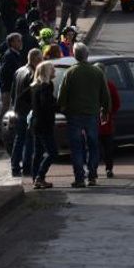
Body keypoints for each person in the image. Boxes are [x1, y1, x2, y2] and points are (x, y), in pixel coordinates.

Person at [57, 42, 111, 187]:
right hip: (92, 114)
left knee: (76, 147)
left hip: (74, 114)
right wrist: (105, 111)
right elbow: (105, 95)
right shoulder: (97, 72)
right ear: (87, 55)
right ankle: (92, 175)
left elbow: (62, 95)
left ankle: (79, 178)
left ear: (75, 55)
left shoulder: (70, 72)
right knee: (93, 145)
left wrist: (62, 108)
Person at [9, 48, 41, 177]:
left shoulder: (19, 71)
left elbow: (13, 93)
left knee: (19, 139)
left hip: (17, 109)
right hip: (27, 111)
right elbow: (33, 95)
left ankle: (15, 166)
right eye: (41, 59)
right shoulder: (32, 74)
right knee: (29, 140)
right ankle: (27, 167)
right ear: (35, 59)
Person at [29, 61, 60, 189]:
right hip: (44, 124)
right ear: (47, 72)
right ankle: (40, 177)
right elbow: (46, 105)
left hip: (36, 123)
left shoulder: (35, 86)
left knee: (38, 153)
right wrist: (58, 106)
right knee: (53, 152)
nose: (55, 72)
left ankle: (35, 177)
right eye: (52, 70)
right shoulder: (46, 86)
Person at [97, 68, 122, 179]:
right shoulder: (110, 85)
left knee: (93, 147)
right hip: (107, 121)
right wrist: (111, 113)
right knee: (108, 148)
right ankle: (109, 169)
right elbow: (117, 103)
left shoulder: (92, 86)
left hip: (93, 122)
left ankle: (92, 169)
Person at [0, 33, 24, 113]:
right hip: (8, 88)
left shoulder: (16, 54)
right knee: (6, 109)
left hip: (12, 88)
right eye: (18, 41)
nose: (21, 43)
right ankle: (3, 125)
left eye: (20, 41)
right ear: (12, 43)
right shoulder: (9, 56)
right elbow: (5, 73)